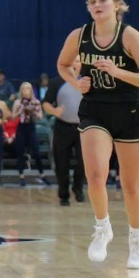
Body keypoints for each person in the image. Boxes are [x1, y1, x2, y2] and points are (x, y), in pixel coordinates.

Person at [57, 0, 139, 270]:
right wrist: (75, 82)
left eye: (102, 0)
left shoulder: (130, 36)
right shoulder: (79, 36)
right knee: (95, 175)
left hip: (129, 112)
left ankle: (136, 240)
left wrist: (118, 72)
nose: (96, 5)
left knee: (130, 185)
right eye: (91, 1)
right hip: (95, 111)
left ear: (117, 4)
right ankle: (102, 227)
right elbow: (63, 64)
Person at [50, 76, 84, 206]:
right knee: (61, 163)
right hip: (62, 127)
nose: (74, 63)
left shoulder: (88, 80)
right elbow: (46, 102)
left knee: (84, 161)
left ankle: (78, 187)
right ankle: (64, 194)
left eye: (77, 60)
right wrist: (54, 111)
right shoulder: (57, 82)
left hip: (83, 127)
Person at [12, 81, 46, 183]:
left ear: (31, 90)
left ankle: (42, 175)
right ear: (21, 90)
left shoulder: (36, 101)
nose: (26, 90)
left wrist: (34, 111)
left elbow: (40, 117)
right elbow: (12, 117)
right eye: (24, 88)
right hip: (21, 128)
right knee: (20, 152)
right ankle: (21, 176)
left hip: (31, 127)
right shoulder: (17, 102)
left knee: (37, 152)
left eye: (28, 88)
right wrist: (20, 110)